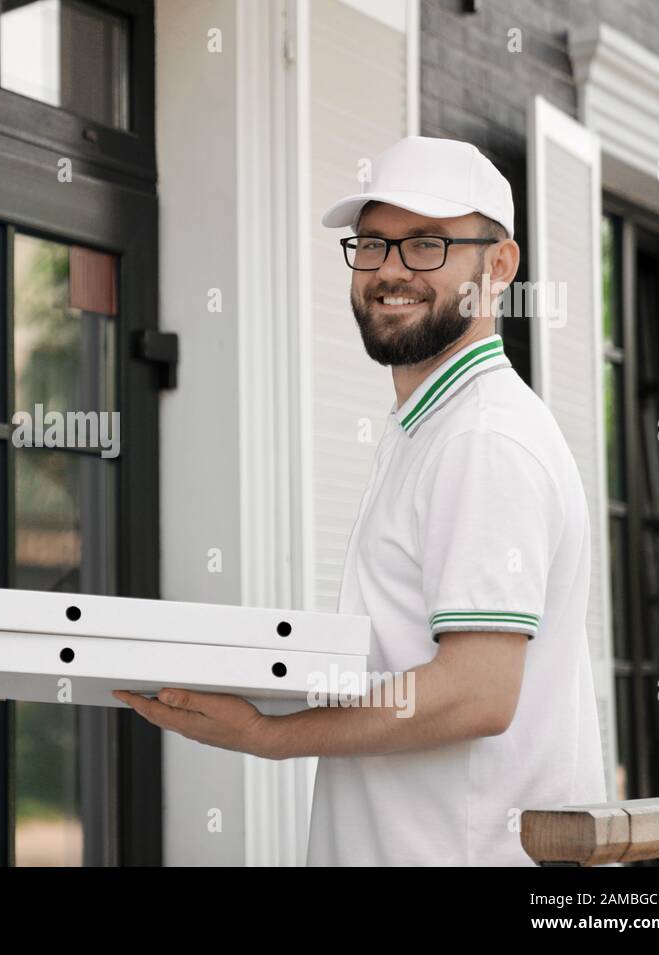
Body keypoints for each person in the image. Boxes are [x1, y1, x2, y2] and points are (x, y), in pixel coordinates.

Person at [114, 135, 607, 866]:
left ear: (499, 267)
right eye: (373, 244)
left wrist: (267, 735)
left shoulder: (483, 437)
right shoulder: (434, 427)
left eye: (427, 245)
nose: (390, 270)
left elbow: (477, 692)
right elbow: (411, 665)